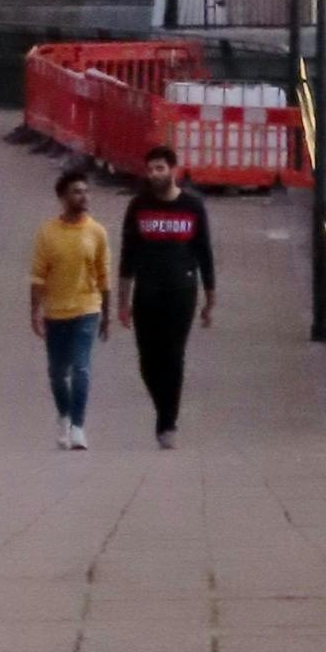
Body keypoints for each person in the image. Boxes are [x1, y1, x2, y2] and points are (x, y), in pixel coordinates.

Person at [117, 143, 215, 448]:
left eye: (160, 168)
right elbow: (127, 255)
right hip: (147, 291)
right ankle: (164, 408)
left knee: (173, 355)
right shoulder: (139, 207)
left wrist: (210, 298)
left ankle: (167, 421)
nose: (155, 174)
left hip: (181, 290)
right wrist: (123, 300)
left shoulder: (192, 207)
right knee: (148, 360)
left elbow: (204, 252)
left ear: (173, 170)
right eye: (151, 169)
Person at [28, 167, 112, 451]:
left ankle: (78, 426)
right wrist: (35, 312)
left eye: (86, 191)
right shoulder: (48, 232)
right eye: (77, 192)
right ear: (63, 197)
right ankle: (64, 415)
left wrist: (107, 314)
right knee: (56, 372)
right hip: (55, 312)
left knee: (81, 368)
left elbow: (104, 275)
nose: (84, 196)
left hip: (87, 308)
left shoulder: (96, 232)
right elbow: (38, 275)